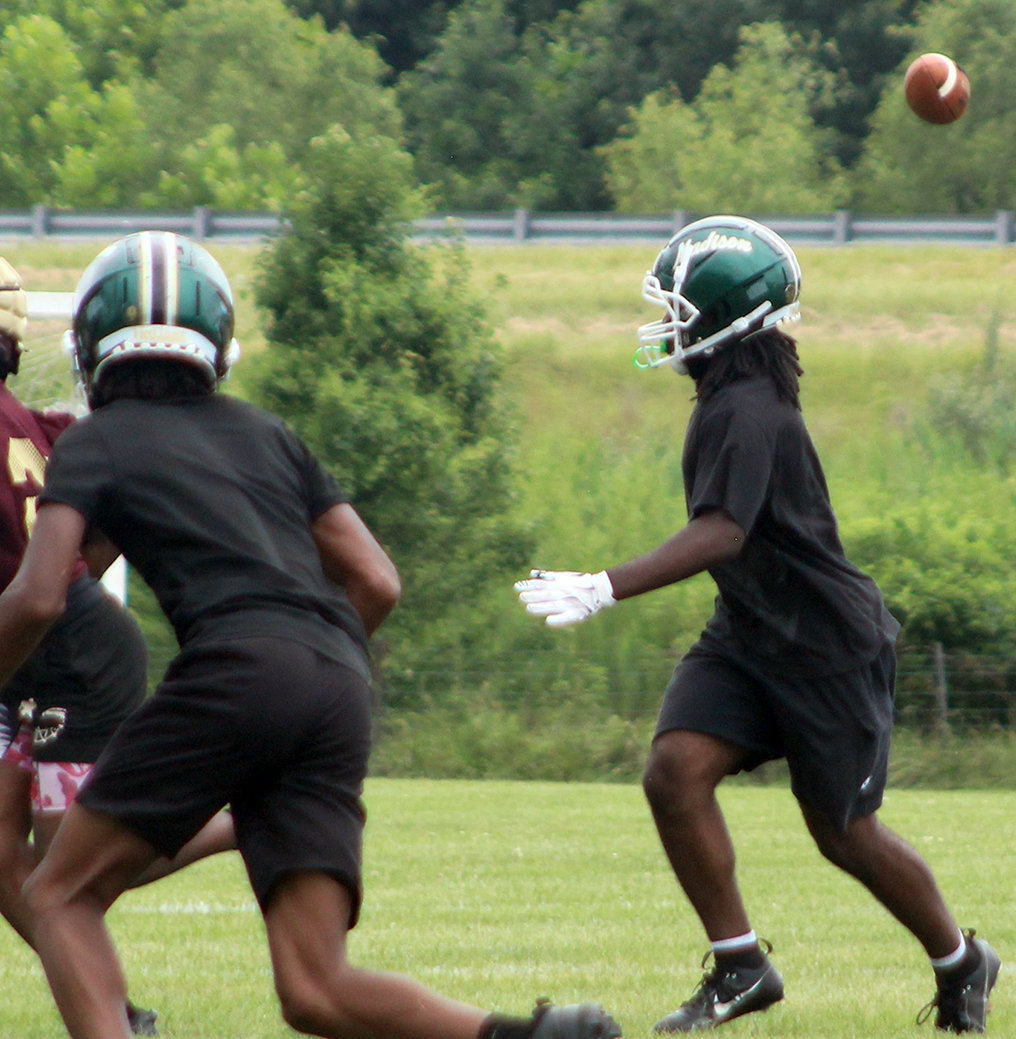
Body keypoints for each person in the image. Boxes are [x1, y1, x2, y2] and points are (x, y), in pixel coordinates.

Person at [0, 232, 621, 1039]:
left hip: (236, 670)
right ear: (217, 345)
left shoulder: (91, 442)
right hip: (335, 682)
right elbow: (377, 581)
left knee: (56, 892)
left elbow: (41, 594)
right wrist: (300, 669)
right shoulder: (269, 435)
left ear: (90, 345)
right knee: (315, 988)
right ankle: (533, 1037)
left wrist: (252, 678)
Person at [516, 216, 999, 1034]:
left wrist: (605, 585)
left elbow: (722, 531)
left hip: (824, 648)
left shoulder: (744, 408)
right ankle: (742, 966)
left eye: (679, 308)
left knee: (845, 836)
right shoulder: (729, 397)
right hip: (749, 633)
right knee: (674, 770)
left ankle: (962, 960)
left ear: (725, 317)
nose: (667, 323)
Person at [0, 256, 235, 1037]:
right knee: (4, 854)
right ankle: (113, 1010)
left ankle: (244, 818)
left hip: (69, 646)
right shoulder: (31, 421)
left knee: (77, 859)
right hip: (32, 639)